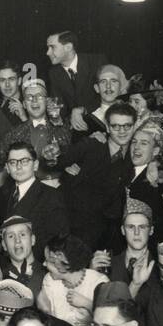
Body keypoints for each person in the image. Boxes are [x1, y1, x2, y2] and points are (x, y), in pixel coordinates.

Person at [57, 99, 137, 251]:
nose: (122, 131)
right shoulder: (92, 145)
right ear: (107, 126)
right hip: (79, 230)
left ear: (134, 126)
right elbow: (57, 161)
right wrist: (67, 168)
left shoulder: (134, 153)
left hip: (112, 235)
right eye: (115, 126)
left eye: (127, 125)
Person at [1, 78, 69, 185]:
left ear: (47, 101)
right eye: (29, 97)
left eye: (39, 96)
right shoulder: (13, 134)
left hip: (61, 187)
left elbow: (70, 150)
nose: (34, 100)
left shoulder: (62, 126)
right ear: (24, 104)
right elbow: (5, 165)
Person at [0, 141, 66, 246]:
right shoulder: (6, 194)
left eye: (24, 161)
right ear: (7, 168)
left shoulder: (52, 196)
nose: (18, 167)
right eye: (13, 162)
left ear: (35, 165)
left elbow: (57, 241)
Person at [39, 233, 106, 326]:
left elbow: (109, 321)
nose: (44, 264)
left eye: (48, 261)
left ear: (64, 263)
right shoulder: (49, 280)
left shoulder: (98, 281)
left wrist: (87, 304)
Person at [44, 31, 105, 130]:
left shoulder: (97, 62)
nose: (47, 53)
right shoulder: (54, 73)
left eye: (52, 47)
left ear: (68, 47)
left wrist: (82, 110)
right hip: (77, 130)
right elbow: (61, 109)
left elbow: (110, 96)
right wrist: (56, 116)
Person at [105, 198, 159, 297]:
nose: (136, 233)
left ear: (151, 230)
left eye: (142, 227)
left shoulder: (161, 266)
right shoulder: (109, 264)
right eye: (131, 227)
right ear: (122, 230)